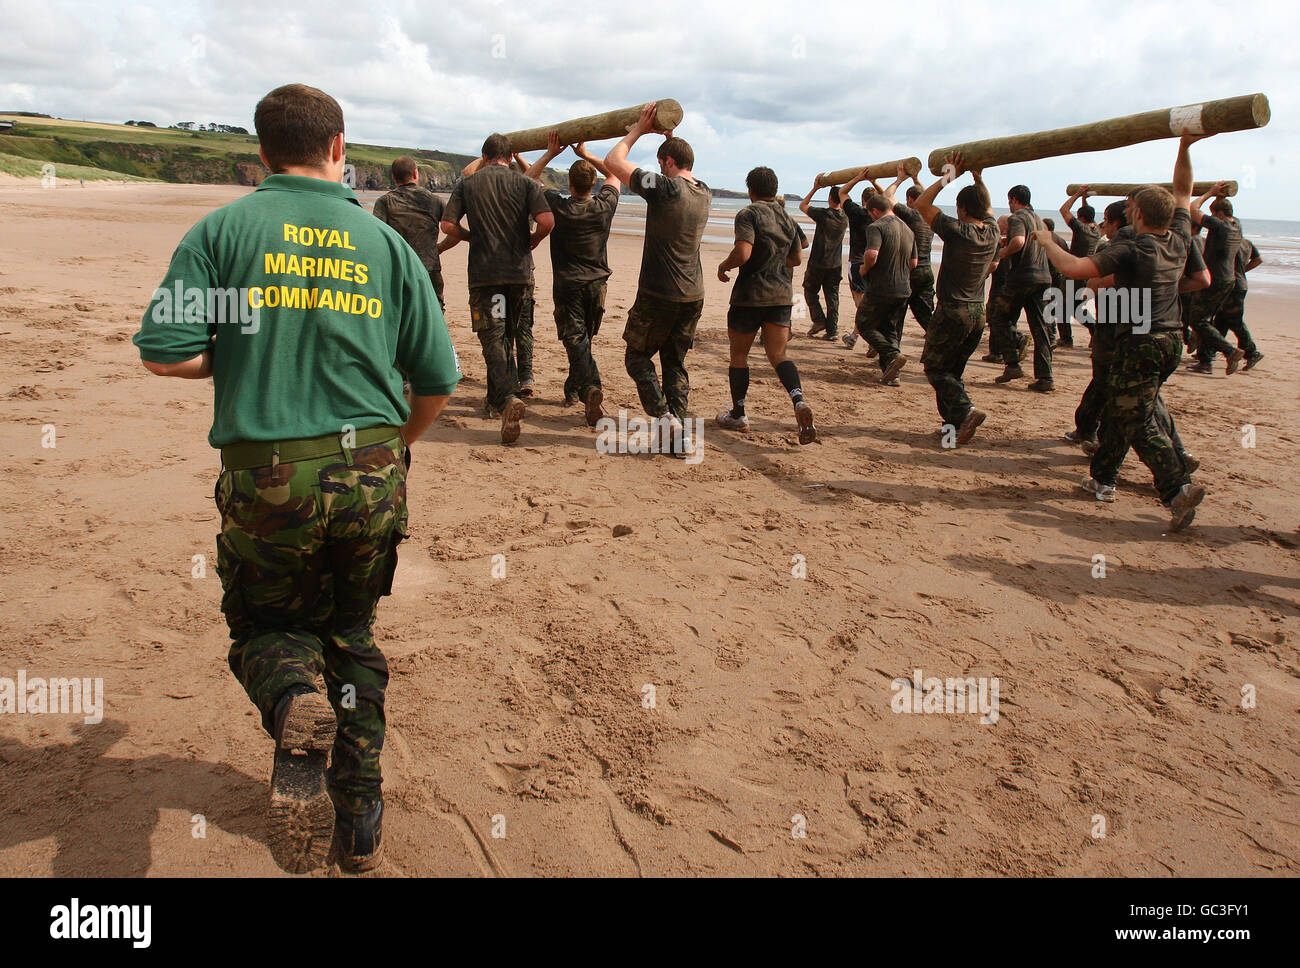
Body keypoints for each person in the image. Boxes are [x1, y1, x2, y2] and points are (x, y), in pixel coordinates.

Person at [133, 83, 461, 873]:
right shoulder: (383, 243)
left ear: (261, 154)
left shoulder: (221, 230)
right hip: (376, 470)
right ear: (341, 150)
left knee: (267, 630)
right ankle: (361, 822)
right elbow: (437, 379)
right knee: (351, 636)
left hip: (270, 476)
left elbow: (166, 351)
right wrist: (395, 451)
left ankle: (291, 702)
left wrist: (239, 356)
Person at [1035, 132, 1211, 531]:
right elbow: (1183, 191)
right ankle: (1103, 478)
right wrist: (1184, 147)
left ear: (1137, 215)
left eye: (1131, 207)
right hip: (1171, 339)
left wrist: (1047, 241)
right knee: (1124, 407)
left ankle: (1177, 486)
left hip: (1141, 342)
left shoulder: (1132, 248)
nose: (1127, 212)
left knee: (1138, 418)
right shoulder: (1180, 238)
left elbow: (1075, 271)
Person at [604, 102, 711, 456]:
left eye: (661, 161)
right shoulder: (705, 191)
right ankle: (677, 438)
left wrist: (637, 131)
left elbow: (613, 162)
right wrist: (667, 136)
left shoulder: (664, 189)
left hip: (660, 293)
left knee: (636, 358)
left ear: (665, 164)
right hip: (693, 293)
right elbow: (678, 165)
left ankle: (665, 418)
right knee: (674, 362)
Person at [1062, 199, 1198, 476]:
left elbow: (1088, 277)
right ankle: (1177, 451)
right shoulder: (1172, 241)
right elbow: (1203, 278)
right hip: (1159, 332)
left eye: (1108, 222)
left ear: (1117, 222)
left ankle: (1168, 472)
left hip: (1122, 333)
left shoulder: (1123, 247)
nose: (1105, 227)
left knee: (1122, 401)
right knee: (1144, 397)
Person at [442, 133, 553, 443]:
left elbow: (447, 226)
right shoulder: (526, 183)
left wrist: (470, 236)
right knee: (507, 336)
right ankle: (495, 400)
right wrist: (536, 239)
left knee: (492, 336)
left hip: (485, 274)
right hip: (518, 274)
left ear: (484, 155)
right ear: (509, 155)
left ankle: (506, 399)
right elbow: (546, 220)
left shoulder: (469, 184)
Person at [521, 133, 621, 426]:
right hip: (597, 285)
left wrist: (551, 154)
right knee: (583, 340)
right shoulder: (604, 205)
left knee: (576, 340)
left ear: (569, 184)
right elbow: (613, 173)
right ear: (593, 185)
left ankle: (591, 388)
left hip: (568, 285)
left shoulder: (557, 204)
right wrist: (587, 154)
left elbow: (527, 180)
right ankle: (574, 389)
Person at [715, 166, 817, 443]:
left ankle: (738, 413)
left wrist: (724, 266)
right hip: (782, 295)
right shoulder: (787, 216)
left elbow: (743, 252)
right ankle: (798, 401)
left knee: (739, 357)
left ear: (750, 190)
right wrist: (773, 263)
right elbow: (796, 258)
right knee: (779, 355)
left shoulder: (748, 214)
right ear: (775, 188)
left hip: (750, 295)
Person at [910, 152, 1000, 446]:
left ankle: (967, 411)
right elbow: (986, 206)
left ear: (961, 208)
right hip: (977, 313)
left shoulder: (957, 230)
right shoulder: (993, 230)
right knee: (953, 373)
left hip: (952, 311)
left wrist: (949, 176)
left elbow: (922, 204)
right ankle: (953, 427)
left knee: (935, 368)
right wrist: (979, 178)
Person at [989, 184, 1054, 391]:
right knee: (1039, 327)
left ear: (1015, 200)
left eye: (1010, 201)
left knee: (998, 317)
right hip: (1043, 277)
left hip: (1022, 277)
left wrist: (1002, 253)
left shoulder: (1017, 218)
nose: (1009, 205)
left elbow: (1019, 241)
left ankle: (1013, 364)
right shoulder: (1040, 221)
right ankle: (1046, 378)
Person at [372, 156, 457, 310]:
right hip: (429, 267)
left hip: (398, 268)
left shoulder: (385, 202)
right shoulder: (435, 200)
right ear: (415, 174)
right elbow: (453, 228)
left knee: (400, 314)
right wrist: (441, 247)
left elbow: (376, 237)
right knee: (434, 312)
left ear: (393, 176)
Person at [853, 193, 916, 385]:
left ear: (875, 211)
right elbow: (914, 262)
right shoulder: (908, 229)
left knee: (864, 324)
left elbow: (872, 254)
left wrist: (864, 269)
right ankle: (892, 375)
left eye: (871, 214)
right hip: (903, 288)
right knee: (890, 330)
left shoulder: (876, 227)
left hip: (881, 287)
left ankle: (892, 353)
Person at [1187, 184, 1248, 373]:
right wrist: (1219, 197)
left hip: (1216, 278)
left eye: (1213, 214)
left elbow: (1192, 208)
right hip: (1229, 279)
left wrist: (1209, 193)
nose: (1211, 217)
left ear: (1219, 214)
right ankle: (1205, 362)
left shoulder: (1219, 225)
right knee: (1207, 320)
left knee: (1197, 320)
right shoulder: (1237, 224)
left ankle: (1229, 351)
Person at [882, 163, 935, 336]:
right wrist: (915, 178)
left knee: (897, 312)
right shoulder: (931, 216)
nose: (907, 203)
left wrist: (899, 179)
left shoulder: (912, 214)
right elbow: (928, 198)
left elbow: (887, 196)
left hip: (910, 269)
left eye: (908, 200)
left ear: (912, 200)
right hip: (927, 271)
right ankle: (940, 342)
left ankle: (892, 351)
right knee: (926, 314)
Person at [837, 171, 882, 350]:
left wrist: (856, 178)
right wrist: (875, 182)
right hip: (877, 262)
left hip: (857, 262)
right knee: (869, 303)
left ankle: (868, 339)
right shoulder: (880, 216)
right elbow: (888, 197)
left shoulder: (856, 213)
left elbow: (842, 193)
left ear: (863, 200)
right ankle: (856, 336)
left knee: (860, 304)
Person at [798, 181, 848, 339]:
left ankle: (819, 320)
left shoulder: (823, 214)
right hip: (836, 263)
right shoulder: (845, 216)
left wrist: (814, 188)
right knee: (832, 296)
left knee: (810, 291)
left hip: (819, 261)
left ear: (830, 199)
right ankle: (832, 331)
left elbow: (803, 205)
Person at [1209, 237, 1264, 371]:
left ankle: (1251, 352)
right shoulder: (1246, 243)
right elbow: (1258, 260)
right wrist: (1243, 271)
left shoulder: (1228, 242)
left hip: (1231, 284)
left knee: (1234, 321)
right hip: (1240, 284)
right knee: (1222, 320)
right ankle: (1209, 352)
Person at [1058, 186, 1101, 346]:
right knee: (1076, 306)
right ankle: (1094, 330)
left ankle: (1066, 338)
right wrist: (1084, 199)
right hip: (1088, 272)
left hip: (1074, 272)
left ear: (1080, 217)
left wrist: (1076, 194)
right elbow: (1086, 216)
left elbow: (1063, 210)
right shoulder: (1095, 230)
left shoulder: (1081, 229)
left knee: (1062, 306)